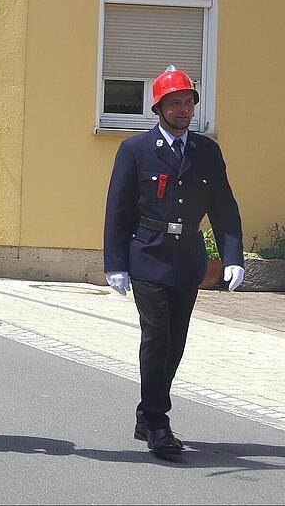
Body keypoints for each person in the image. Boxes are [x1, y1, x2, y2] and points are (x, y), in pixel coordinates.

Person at [103, 65, 244, 454]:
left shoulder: (206, 151)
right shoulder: (135, 149)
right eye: (175, 103)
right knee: (157, 337)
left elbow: (223, 207)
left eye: (188, 102)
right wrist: (115, 263)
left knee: (176, 341)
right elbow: (118, 209)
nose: (183, 110)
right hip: (147, 253)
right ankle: (158, 422)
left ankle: (145, 414)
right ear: (159, 109)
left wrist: (233, 256)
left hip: (187, 257)